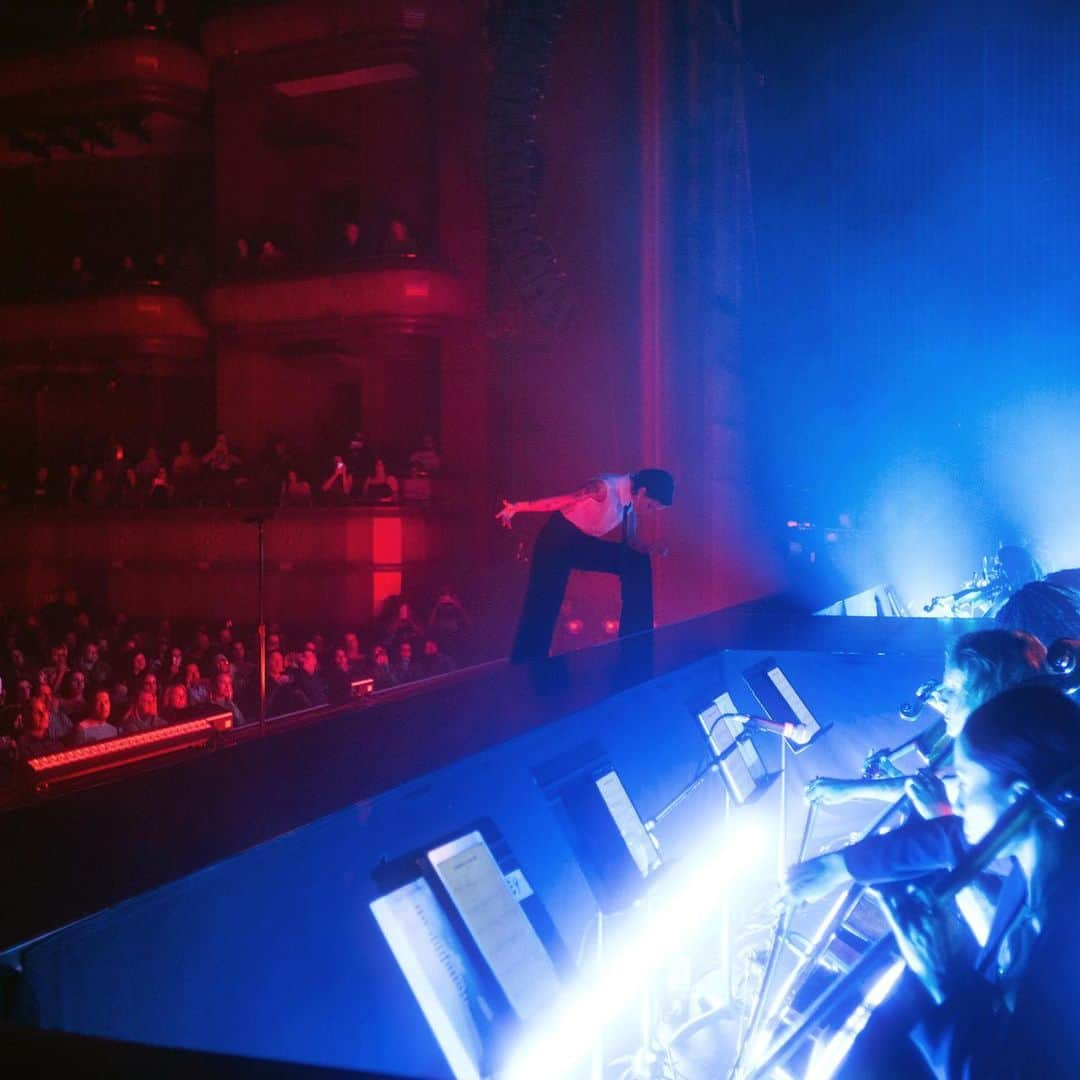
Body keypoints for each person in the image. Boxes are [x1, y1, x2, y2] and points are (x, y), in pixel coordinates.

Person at [883, 685, 1080, 1077]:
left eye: (967, 784)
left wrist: (944, 976)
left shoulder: (1067, 929)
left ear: (1019, 795)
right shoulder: (1031, 883)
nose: (957, 802)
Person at [500, 468, 674, 662]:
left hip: (582, 543)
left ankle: (635, 649)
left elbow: (632, 542)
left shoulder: (631, 503)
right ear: (642, 491)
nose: (649, 512)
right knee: (543, 605)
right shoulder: (604, 488)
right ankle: (526, 662)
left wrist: (651, 548)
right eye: (651, 506)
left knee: (636, 562)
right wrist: (517, 507)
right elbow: (561, 501)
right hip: (557, 541)